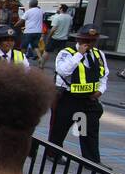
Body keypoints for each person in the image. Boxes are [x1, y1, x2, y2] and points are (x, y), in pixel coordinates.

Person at [47, 24, 109, 164]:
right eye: (86, 40)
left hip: (89, 99)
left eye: (92, 41)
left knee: (89, 129)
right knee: (59, 128)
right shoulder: (66, 53)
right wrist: (79, 54)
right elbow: (64, 71)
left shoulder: (99, 55)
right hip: (68, 98)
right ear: (79, 40)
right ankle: (53, 154)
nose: (90, 44)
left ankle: (91, 160)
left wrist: (101, 90)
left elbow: (104, 75)